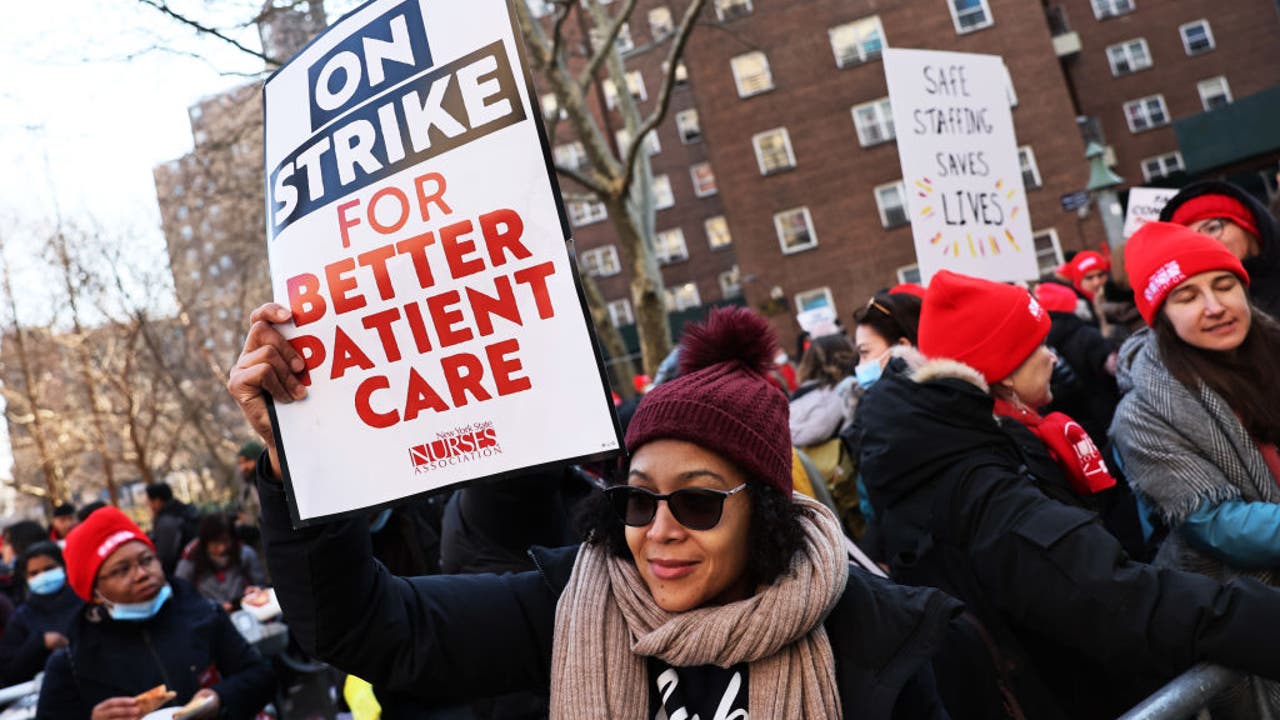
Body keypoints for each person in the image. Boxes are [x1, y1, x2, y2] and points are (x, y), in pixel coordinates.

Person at [229, 302, 961, 719]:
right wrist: (297, 461)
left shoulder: (878, 636)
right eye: (637, 498)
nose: (659, 529)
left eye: (699, 502)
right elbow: (359, 626)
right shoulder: (573, 608)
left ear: (767, 513)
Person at [854, 269, 1280, 719]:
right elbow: (1112, 595)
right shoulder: (984, 485)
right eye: (1037, 346)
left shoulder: (969, 447)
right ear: (1004, 370)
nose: (1053, 357)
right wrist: (1261, 622)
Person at [1112, 221, 1280, 717]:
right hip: (1250, 605)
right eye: (1186, 296)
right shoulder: (1142, 415)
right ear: (1159, 314)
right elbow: (1214, 522)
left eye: (1224, 285)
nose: (1214, 306)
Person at [36, 506, 275, 720]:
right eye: (122, 570)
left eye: (146, 560)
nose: (141, 573)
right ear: (95, 592)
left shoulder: (203, 613)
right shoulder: (72, 661)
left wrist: (220, 698)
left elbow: (261, 675)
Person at [1160, 179, 1280, 317]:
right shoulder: (1208, 314)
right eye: (1191, 240)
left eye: (1212, 228)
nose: (1206, 244)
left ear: (1248, 226)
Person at [1033, 281, 1120, 449]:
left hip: (1073, 429)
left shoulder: (1040, 345)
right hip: (1107, 417)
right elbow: (1116, 370)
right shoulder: (1087, 335)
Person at [0, 542, 80, 685]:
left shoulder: (84, 602)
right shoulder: (21, 618)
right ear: (26, 578)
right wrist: (39, 643)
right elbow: (10, 671)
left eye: (49, 569)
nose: (43, 576)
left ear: (64, 568)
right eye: (34, 573)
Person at [175, 514, 267, 613]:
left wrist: (256, 591)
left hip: (246, 613)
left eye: (226, 541)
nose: (221, 548)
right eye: (215, 544)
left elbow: (262, 586)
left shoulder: (245, 554)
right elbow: (181, 597)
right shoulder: (190, 562)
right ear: (205, 542)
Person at [145, 482, 200, 577]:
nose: (149, 506)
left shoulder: (167, 521)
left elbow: (166, 556)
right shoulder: (185, 512)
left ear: (157, 501)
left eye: (149, 501)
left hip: (181, 574)